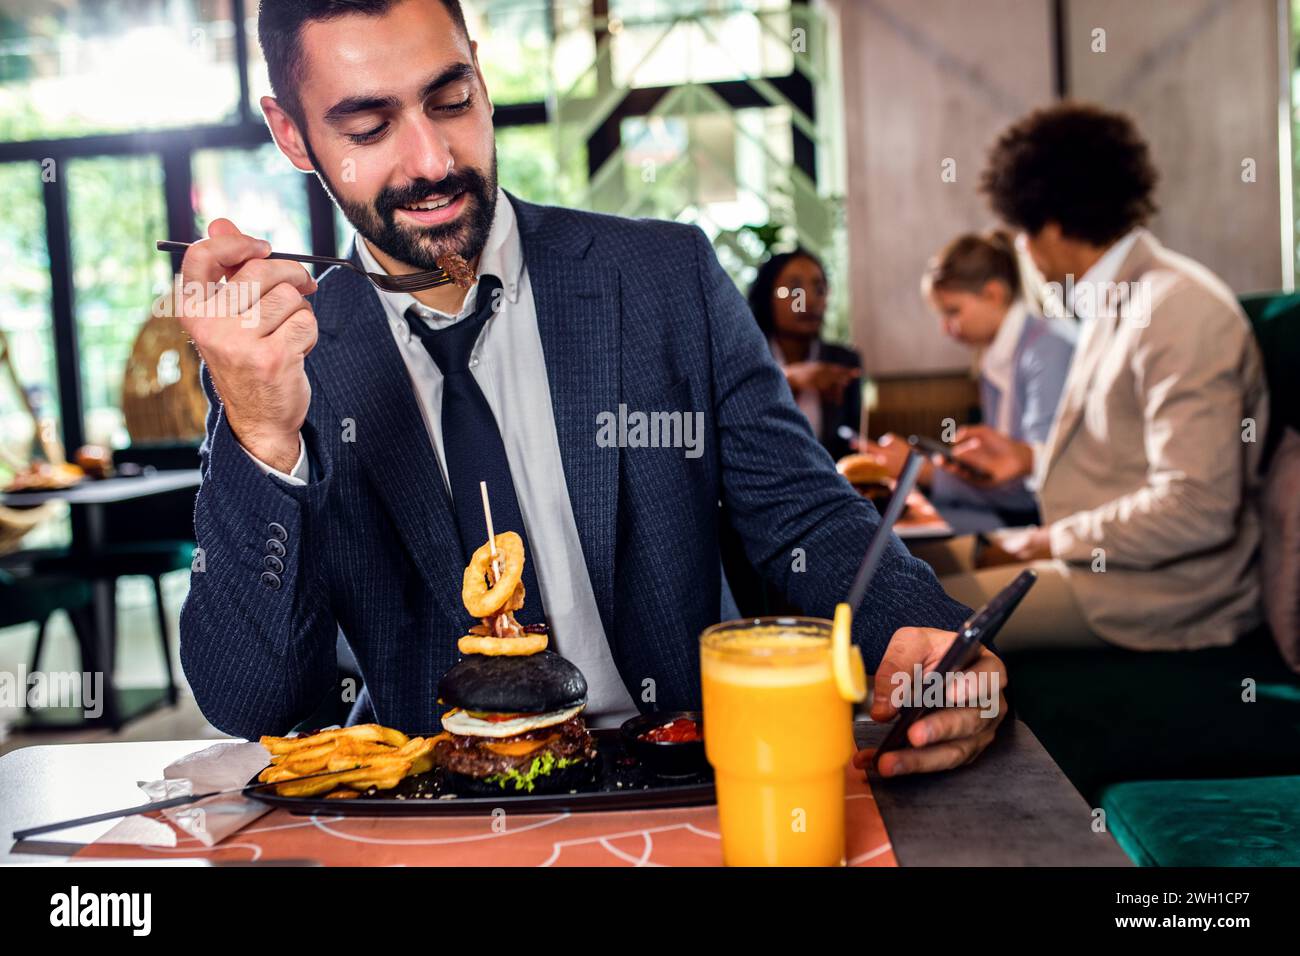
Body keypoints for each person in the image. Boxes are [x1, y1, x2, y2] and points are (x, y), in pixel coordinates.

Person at [175, 0, 1006, 777]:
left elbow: (805, 516)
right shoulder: (283, 359)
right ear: (292, 134)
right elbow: (257, 703)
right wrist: (262, 436)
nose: (432, 161)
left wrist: (927, 640)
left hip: (679, 779)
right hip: (434, 816)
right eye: (369, 126)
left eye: (450, 100)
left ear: (481, 76)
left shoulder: (665, 278)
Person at [930, 102, 1268, 653]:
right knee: (912, 566)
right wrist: (1028, 459)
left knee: (912, 612)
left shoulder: (1178, 308)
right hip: (1108, 564)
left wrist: (1046, 541)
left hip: (1165, 590)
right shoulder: (1116, 297)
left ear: (1052, 225)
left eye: (1022, 230)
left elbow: (1196, 507)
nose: (1021, 248)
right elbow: (1130, 453)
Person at [868, 231, 1075, 534]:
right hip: (1011, 514)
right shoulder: (994, 355)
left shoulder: (1046, 351)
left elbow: (1036, 489)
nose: (945, 329)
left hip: (1043, 524)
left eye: (953, 312)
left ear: (993, 295)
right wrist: (957, 467)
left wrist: (927, 473)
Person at [748, 248, 862, 460]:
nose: (809, 301)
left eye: (819, 289)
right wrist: (790, 379)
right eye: (794, 289)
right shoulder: (746, 358)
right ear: (767, 296)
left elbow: (852, 443)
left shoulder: (842, 361)